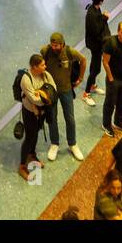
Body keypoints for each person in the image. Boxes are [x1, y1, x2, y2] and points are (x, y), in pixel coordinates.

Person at [40, 32, 87, 161]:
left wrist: (80, 78)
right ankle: (54, 144)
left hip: (66, 89)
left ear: (62, 44)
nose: (54, 47)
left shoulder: (70, 52)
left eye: (57, 45)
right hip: (51, 92)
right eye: (52, 45)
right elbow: (40, 66)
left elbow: (83, 60)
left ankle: (72, 144)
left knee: (70, 118)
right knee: (52, 118)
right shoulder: (45, 51)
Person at [18, 53, 55, 181]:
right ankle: (22, 165)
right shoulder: (26, 79)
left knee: (36, 134)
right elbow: (35, 100)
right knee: (29, 137)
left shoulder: (45, 74)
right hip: (30, 112)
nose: (45, 66)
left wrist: (42, 94)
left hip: (41, 112)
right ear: (34, 66)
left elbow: (53, 90)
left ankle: (31, 155)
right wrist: (45, 95)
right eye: (42, 65)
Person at [100, 21, 122, 137]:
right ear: (118, 32)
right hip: (114, 80)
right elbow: (105, 62)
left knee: (121, 103)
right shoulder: (111, 43)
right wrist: (110, 79)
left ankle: (118, 122)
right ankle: (106, 124)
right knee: (110, 104)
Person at [82, 0, 111, 106]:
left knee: (94, 66)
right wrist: (105, 18)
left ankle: (93, 85)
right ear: (101, 0)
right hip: (95, 45)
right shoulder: (91, 14)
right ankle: (86, 93)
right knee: (96, 69)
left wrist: (102, 17)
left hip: (97, 44)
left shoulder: (95, 8)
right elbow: (96, 31)